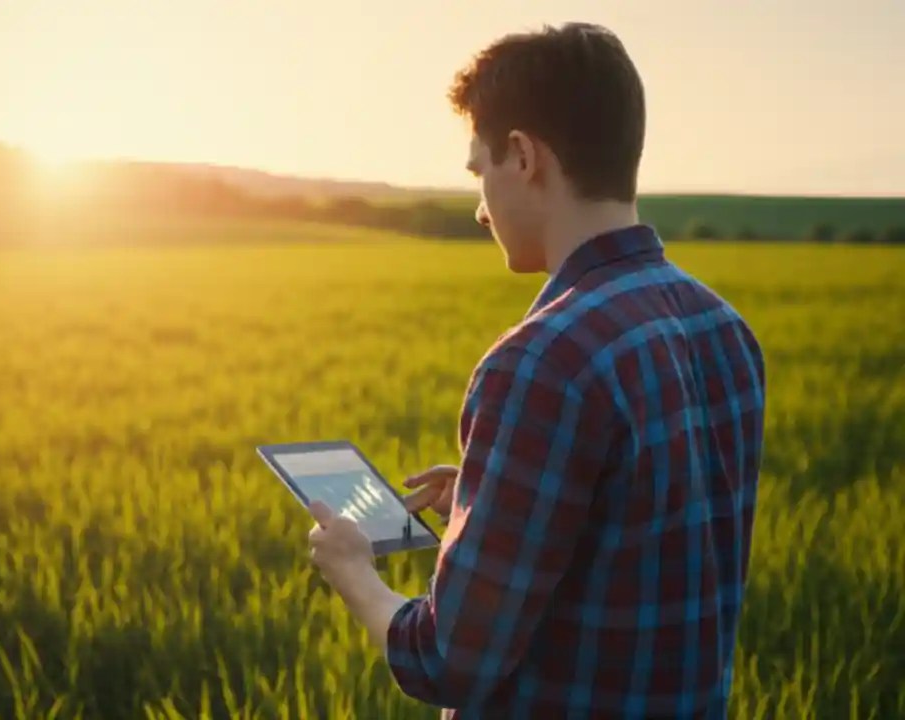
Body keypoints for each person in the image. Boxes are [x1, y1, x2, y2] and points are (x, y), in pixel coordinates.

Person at [304, 22, 767, 719]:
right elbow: (649, 530)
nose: (481, 206)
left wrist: (353, 571)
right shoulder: (723, 328)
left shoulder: (542, 363)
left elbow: (449, 660)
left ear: (522, 156)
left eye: (478, 170)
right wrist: (493, 499)